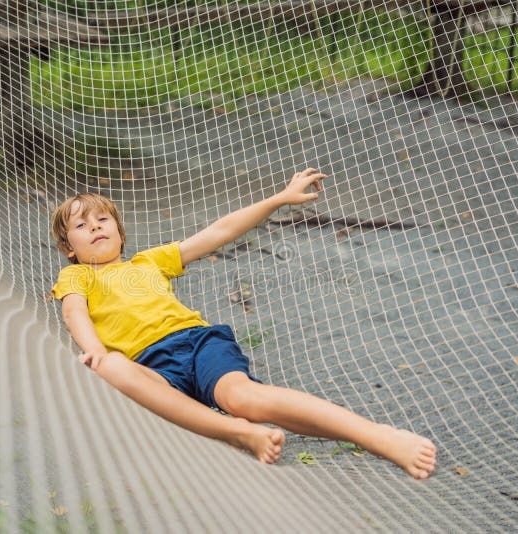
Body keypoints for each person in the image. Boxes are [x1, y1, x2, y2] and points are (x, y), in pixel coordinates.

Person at [50, 168, 436, 478]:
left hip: (198, 344)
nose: (96, 227)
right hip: (151, 367)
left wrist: (279, 199)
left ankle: (376, 436)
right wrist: (96, 352)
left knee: (242, 399)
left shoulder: (150, 261)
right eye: (82, 226)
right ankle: (237, 432)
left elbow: (219, 232)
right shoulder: (79, 277)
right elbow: (74, 312)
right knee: (110, 367)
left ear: (119, 231)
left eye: (103, 219)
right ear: (70, 248)